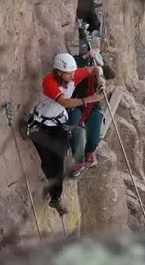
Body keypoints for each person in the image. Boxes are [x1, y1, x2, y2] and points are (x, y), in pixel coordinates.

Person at [27, 52, 105, 215]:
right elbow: (65, 102)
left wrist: (100, 80)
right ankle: (50, 179)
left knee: (59, 156)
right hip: (41, 124)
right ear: (59, 72)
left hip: (57, 122)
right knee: (48, 161)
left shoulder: (72, 75)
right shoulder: (49, 81)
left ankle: (56, 197)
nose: (73, 75)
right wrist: (91, 98)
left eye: (72, 73)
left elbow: (96, 68)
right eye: (69, 73)